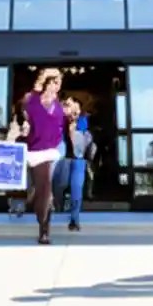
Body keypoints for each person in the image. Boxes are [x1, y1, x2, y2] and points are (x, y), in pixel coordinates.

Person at [25, 67, 66, 245]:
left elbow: (59, 128)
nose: (57, 87)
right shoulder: (33, 100)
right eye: (55, 82)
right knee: (42, 190)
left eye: (59, 84)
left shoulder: (58, 104)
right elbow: (24, 119)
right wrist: (24, 126)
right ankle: (36, 204)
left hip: (53, 150)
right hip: (35, 150)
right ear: (48, 82)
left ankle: (44, 230)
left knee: (47, 187)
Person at [53, 97, 94, 231]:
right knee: (60, 183)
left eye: (73, 106)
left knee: (76, 188)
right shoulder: (59, 120)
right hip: (63, 159)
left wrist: (72, 130)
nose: (70, 109)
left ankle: (74, 220)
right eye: (67, 105)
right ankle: (58, 207)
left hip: (77, 160)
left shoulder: (82, 121)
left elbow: (79, 146)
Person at [4, 99, 31, 217]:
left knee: (24, 183)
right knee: (14, 183)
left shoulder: (30, 123)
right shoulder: (14, 123)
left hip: (27, 158)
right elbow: (10, 139)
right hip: (14, 156)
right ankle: (13, 206)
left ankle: (21, 206)